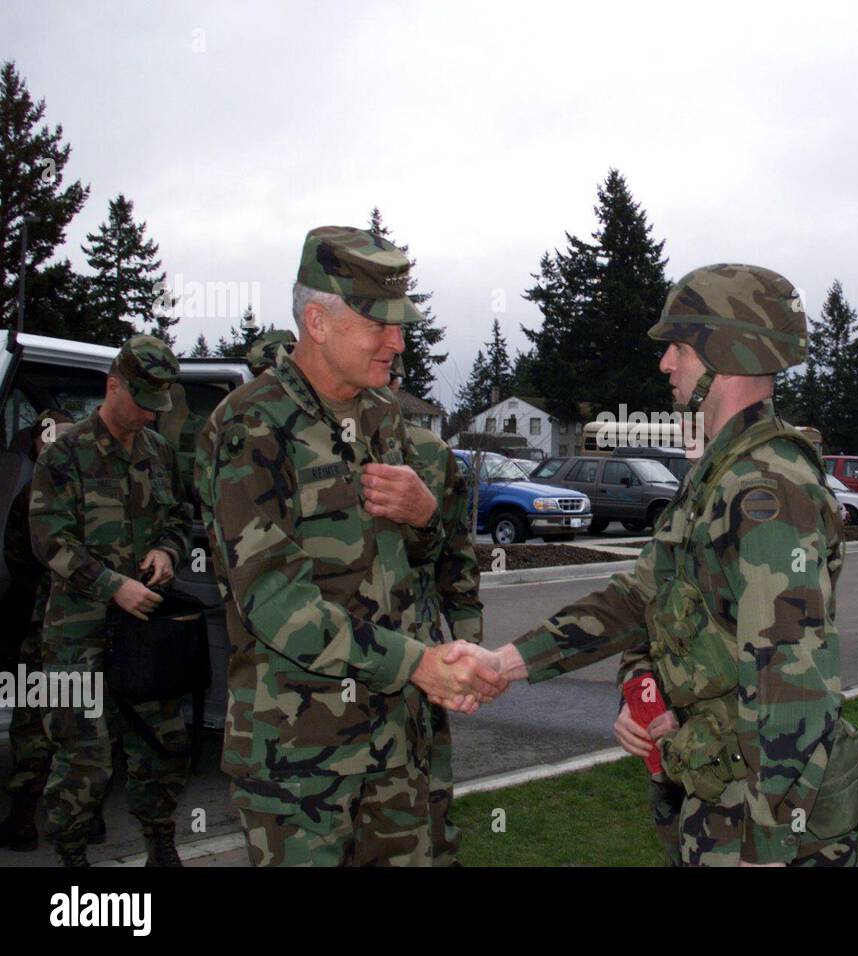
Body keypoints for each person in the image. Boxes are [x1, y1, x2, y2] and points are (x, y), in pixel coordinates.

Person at [453, 264, 858, 866]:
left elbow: (791, 684)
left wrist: (769, 845)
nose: (665, 364)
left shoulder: (765, 491)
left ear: (723, 352)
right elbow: (637, 600)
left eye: (678, 347)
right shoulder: (721, 474)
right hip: (716, 800)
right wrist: (506, 662)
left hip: (762, 827)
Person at [195, 225, 504, 867]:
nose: (398, 340)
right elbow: (274, 602)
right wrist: (415, 663)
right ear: (318, 321)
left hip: (398, 746)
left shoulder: (386, 419)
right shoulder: (249, 430)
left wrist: (424, 519)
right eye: (379, 323)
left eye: (400, 323)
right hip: (301, 758)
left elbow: (418, 567)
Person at [30, 337, 193, 867]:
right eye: (141, 399)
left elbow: (177, 520)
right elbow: (49, 542)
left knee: (160, 745)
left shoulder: (158, 453)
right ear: (113, 385)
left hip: (145, 632)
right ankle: (71, 858)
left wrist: (168, 551)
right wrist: (112, 585)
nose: (149, 413)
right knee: (85, 757)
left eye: (158, 404)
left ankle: (161, 845)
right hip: (76, 635)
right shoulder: (65, 453)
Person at [391, 352, 482, 864]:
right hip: (335, 666)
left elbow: (458, 560)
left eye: (393, 376)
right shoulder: (312, 449)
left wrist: (470, 645)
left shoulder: (431, 454)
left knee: (430, 799)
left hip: (423, 661)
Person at [0, 409, 84, 851]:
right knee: (65, 716)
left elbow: (19, 561)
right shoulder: (86, 488)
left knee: (47, 719)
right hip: (60, 624)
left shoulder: (40, 491)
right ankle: (64, 815)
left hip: (54, 624)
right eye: (48, 436)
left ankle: (29, 816)